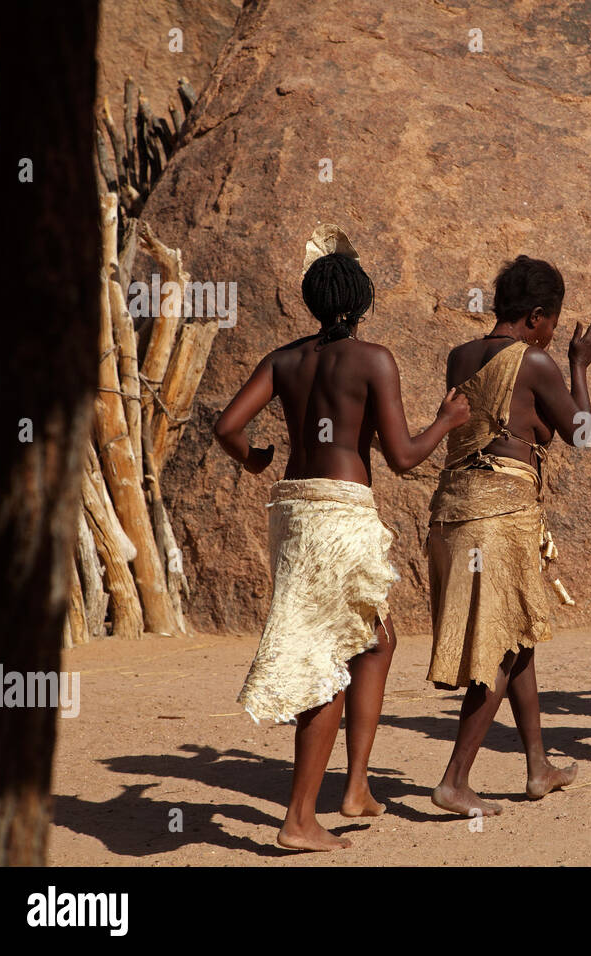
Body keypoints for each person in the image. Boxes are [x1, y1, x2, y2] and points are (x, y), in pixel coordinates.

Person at [214, 229, 469, 850]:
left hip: (294, 512)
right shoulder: (372, 360)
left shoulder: (285, 361)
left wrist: (254, 460)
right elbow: (404, 456)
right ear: (362, 300)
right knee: (328, 658)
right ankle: (299, 820)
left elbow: (227, 426)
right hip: (341, 514)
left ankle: (355, 787)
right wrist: (449, 420)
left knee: (376, 640)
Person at [426, 254, 591, 817]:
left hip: (454, 509)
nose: (553, 332)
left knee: (515, 633)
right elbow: (580, 432)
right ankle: (454, 781)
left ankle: (537, 767)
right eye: (552, 322)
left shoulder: (461, 355)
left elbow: (522, 422)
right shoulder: (535, 361)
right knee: (497, 648)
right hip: (500, 516)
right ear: (535, 316)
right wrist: (579, 364)